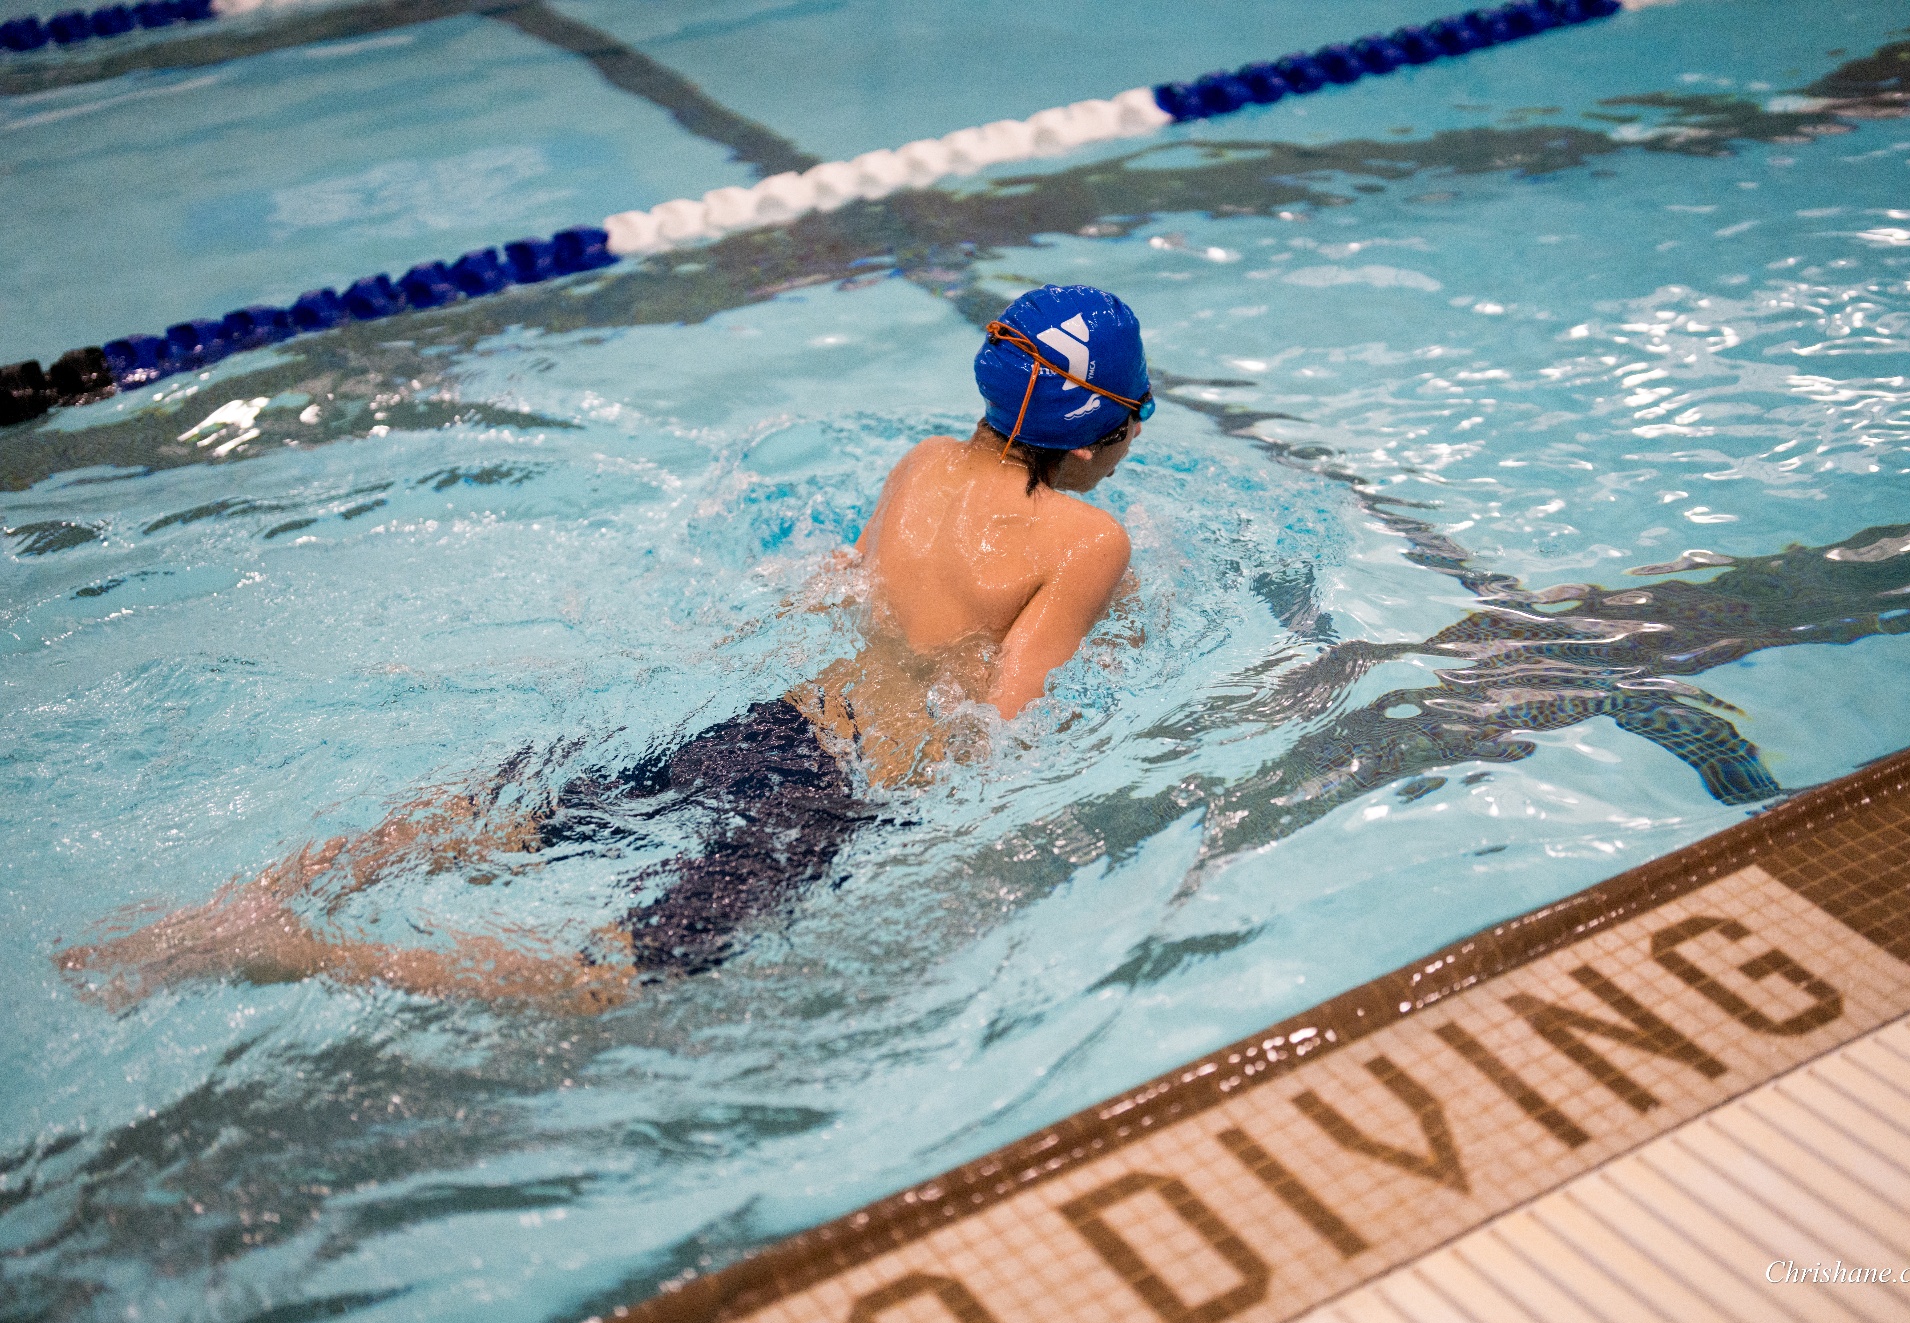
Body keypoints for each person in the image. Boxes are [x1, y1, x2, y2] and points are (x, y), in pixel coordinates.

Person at [57, 285, 1153, 1014]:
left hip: (776, 723)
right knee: (606, 986)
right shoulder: (1089, 538)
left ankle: (260, 893)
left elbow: (849, 588)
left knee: (524, 825)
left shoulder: (918, 462)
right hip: (851, 787)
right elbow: (1002, 716)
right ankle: (302, 953)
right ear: (1103, 430)